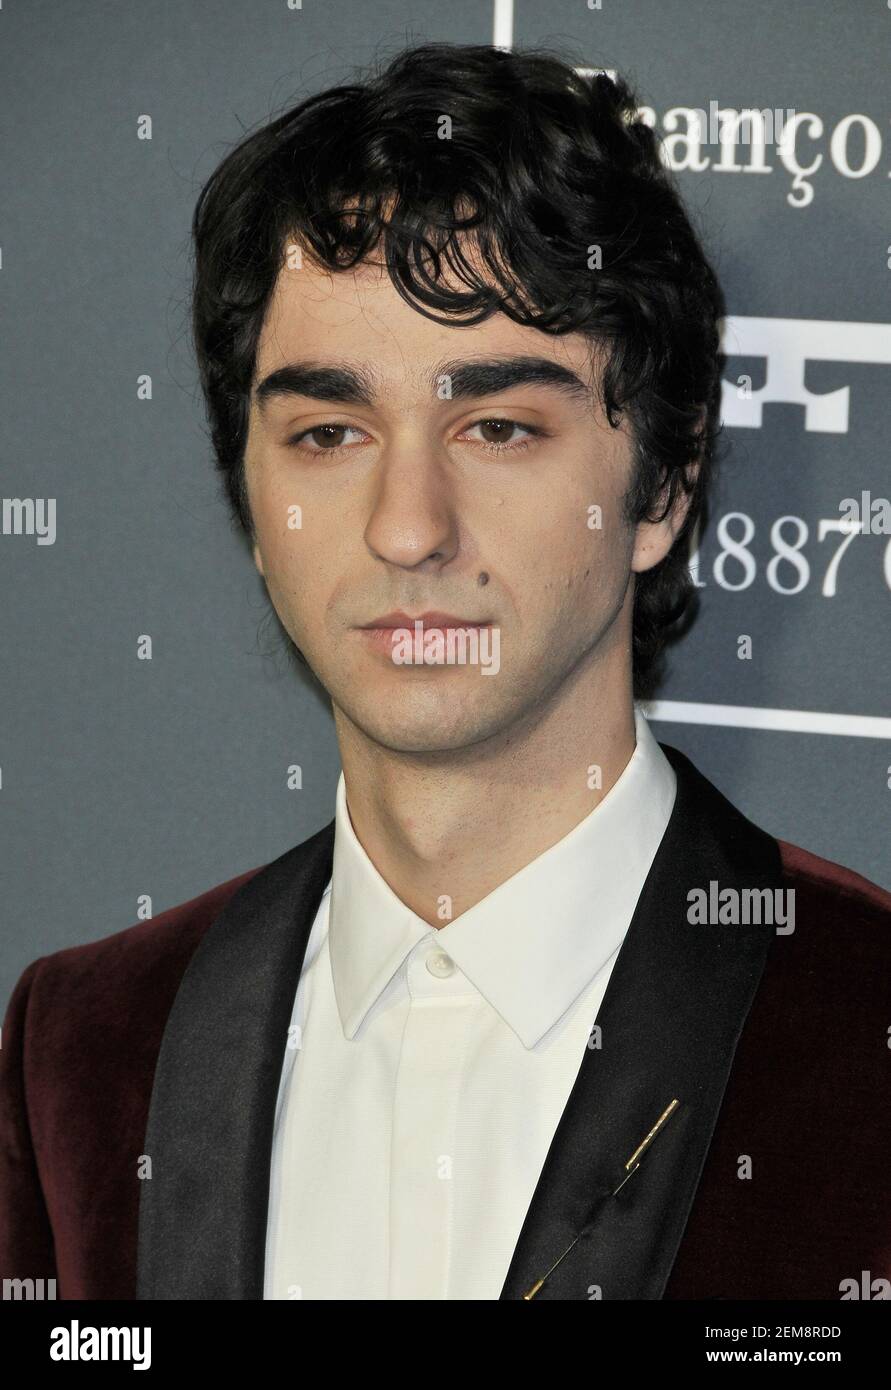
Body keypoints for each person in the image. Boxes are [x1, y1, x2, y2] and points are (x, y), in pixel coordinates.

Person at [1, 42, 888, 1303]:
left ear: (667, 483)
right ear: (252, 501)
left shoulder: (864, 1029)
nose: (406, 524)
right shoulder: (85, 1052)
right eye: (328, 432)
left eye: (498, 426)